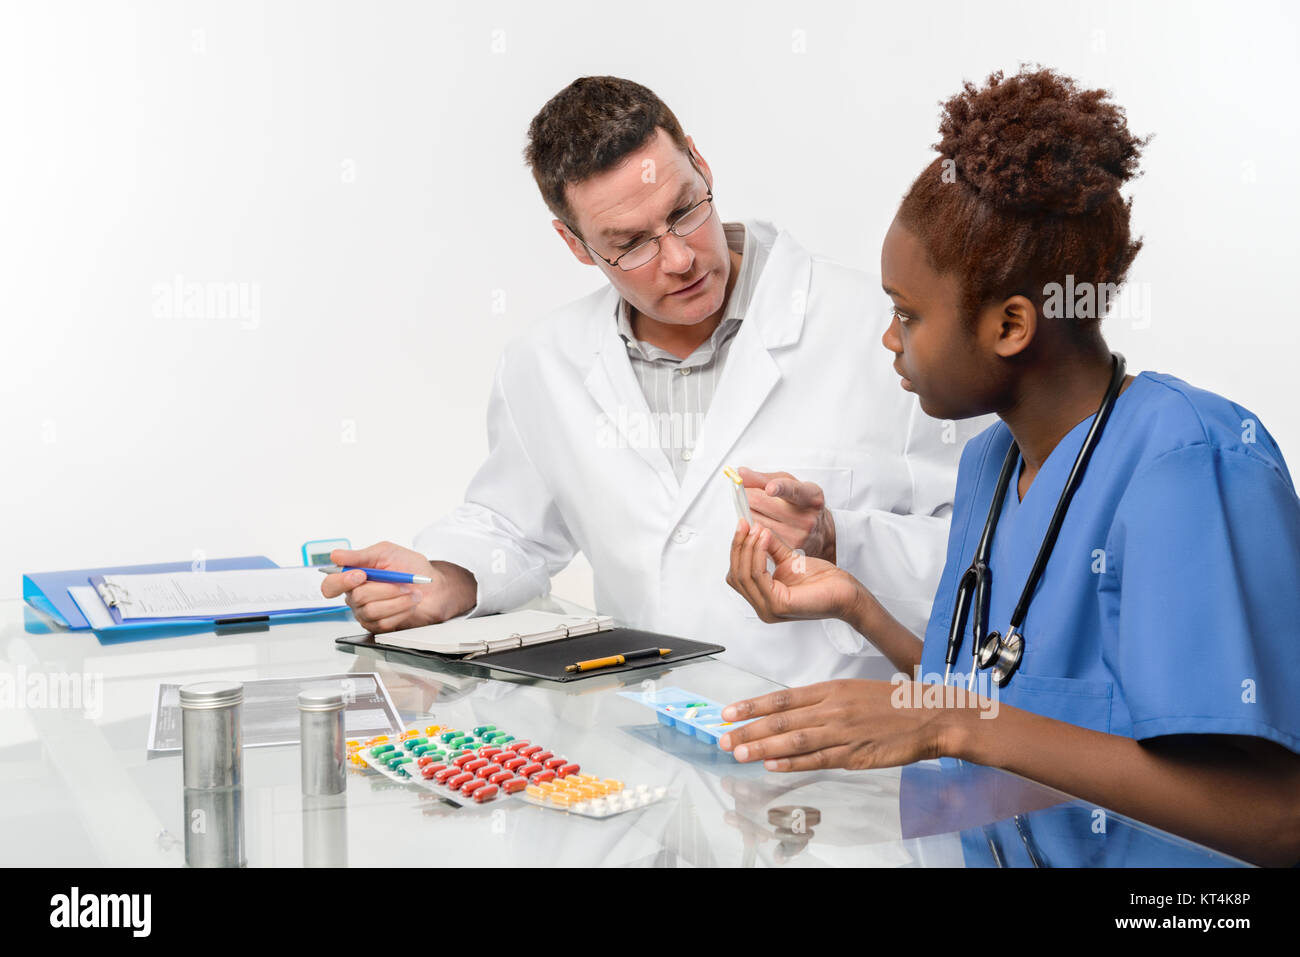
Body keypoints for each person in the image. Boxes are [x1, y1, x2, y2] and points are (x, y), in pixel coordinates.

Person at [720, 67, 1300, 866]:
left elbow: (1276, 816)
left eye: (908, 314)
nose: (891, 341)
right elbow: (1002, 691)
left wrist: (946, 722)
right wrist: (858, 609)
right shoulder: (991, 464)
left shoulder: (1189, 463)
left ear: (1013, 324)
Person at [321, 76, 982, 687]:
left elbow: (991, 549)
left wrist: (838, 538)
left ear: (699, 161)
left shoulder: (884, 328)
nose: (680, 258)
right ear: (576, 244)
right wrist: (447, 578)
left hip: (838, 779)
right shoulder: (544, 363)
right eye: (630, 243)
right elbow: (512, 527)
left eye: (685, 210)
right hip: (648, 758)